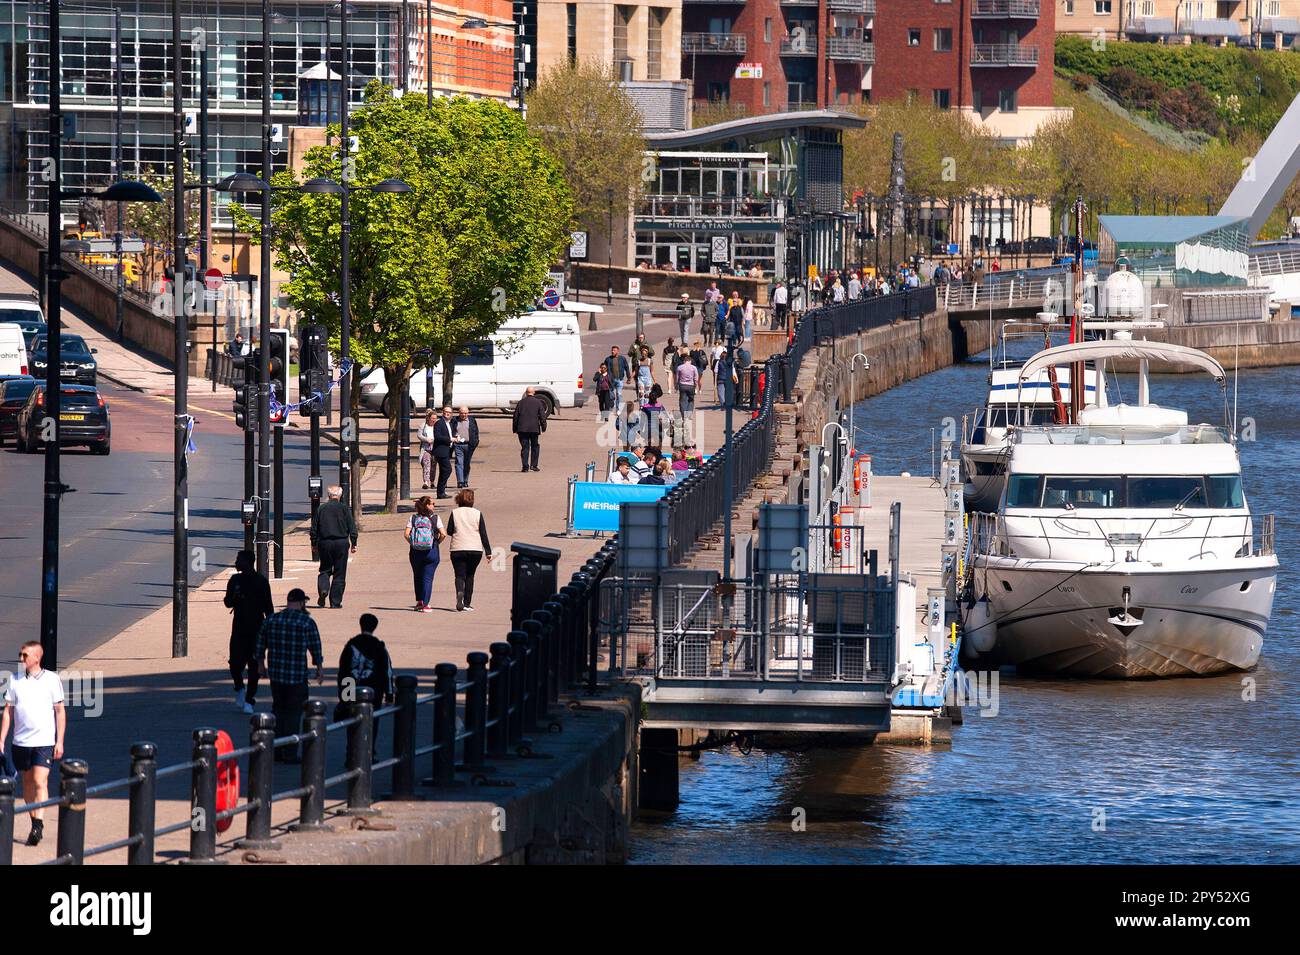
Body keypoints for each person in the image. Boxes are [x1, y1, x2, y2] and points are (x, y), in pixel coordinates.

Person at [0, 641, 66, 846]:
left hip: (44, 741)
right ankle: (34, 820)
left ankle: (38, 824)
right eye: (20, 654)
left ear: (37, 657)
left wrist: (59, 741)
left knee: (40, 781)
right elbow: (8, 712)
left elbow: (60, 711)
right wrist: (2, 738)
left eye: (25, 655)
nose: (21, 659)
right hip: (21, 742)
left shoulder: (52, 680)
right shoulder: (14, 679)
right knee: (27, 785)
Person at [256, 588, 323, 763]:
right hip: (297, 677)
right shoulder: (306, 622)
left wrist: (261, 665)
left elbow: (260, 644)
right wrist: (319, 669)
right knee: (293, 714)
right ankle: (290, 752)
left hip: (277, 675)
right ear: (302, 603)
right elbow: (315, 647)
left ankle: (276, 749)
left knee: (278, 710)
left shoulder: (272, 620)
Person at [223, 549, 273, 713]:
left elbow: (269, 608)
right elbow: (228, 603)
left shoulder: (261, 581)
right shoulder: (234, 580)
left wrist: (270, 630)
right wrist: (234, 598)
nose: (237, 563)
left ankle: (250, 700)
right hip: (238, 628)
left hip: (257, 629)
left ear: (248, 562)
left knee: (254, 666)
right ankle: (239, 687)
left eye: (239, 560)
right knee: (234, 663)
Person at [311, 485, 357, 609]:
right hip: (341, 543)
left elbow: (314, 528)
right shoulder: (344, 508)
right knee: (339, 572)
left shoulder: (321, 509)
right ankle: (335, 602)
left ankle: (324, 588)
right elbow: (352, 526)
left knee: (325, 569)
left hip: (325, 543)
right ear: (340, 495)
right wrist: (354, 542)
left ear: (329, 495)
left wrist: (314, 543)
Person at [337, 614, 394, 712]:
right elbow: (387, 672)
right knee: (372, 722)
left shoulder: (351, 645)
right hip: (373, 693)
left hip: (352, 691)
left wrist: (344, 696)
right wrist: (389, 695)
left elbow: (343, 670)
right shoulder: (379, 647)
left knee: (352, 723)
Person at [447, 489, 492, 612]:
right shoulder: (478, 513)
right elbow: (483, 533)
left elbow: (449, 531)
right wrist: (488, 552)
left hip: (458, 548)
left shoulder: (454, 513)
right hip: (475, 549)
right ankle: (467, 603)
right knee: (470, 575)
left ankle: (459, 593)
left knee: (459, 575)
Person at [405, 495, 445, 612]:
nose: (434, 505)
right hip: (431, 551)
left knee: (417, 576)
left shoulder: (413, 518)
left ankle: (419, 602)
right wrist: (436, 543)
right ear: (427, 505)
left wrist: (413, 543)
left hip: (415, 552)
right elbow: (443, 534)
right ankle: (426, 604)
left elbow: (406, 534)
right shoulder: (435, 518)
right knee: (428, 578)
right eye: (432, 503)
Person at [512, 386, 548, 472]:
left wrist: (514, 428)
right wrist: (544, 427)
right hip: (534, 429)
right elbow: (542, 416)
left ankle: (525, 466)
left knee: (525, 447)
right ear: (534, 393)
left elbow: (515, 416)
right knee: (535, 446)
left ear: (526, 392)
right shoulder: (538, 402)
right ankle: (534, 465)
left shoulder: (521, 403)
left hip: (522, 429)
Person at [427, 405, 455, 498]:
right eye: (445, 412)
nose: (447, 413)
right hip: (440, 451)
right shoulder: (439, 423)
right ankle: (440, 491)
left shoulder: (450, 423)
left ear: (451, 414)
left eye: (449, 412)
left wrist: (455, 438)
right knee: (447, 470)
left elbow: (451, 433)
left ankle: (441, 492)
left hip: (447, 450)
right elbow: (438, 436)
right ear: (443, 413)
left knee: (444, 471)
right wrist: (450, 439)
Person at [452, 406, 479, 489]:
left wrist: (475, 442)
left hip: (469, 445)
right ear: (459, 413)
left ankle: (465, 480)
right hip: (458, 445)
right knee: (459, 463)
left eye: (465, 413)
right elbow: (452, 430)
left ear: (468, 413)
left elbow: (476, 432)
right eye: (462, 413)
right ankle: (460, 481)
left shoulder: (472, 420)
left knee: (466, 464)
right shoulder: (454, 420)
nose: (463, 415)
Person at [674, 349, 699, 419]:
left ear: (684, 361)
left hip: (682, 385)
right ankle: (689, 413)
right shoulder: (694, 368)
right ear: (690, 361)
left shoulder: (680, 367)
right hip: (691, 385)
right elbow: (696, 378)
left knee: (682, 400)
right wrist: (696, 386)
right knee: (691, 400)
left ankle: (683, 414)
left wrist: (676, 386)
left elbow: (677, 378)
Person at [417, 410, 437, 490]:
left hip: (435, 449)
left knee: (433, 466)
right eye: (432, 418)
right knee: (426, 465)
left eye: (435, 418)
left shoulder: (437, 425)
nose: (434, 420)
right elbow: (419, 435)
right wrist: (426, 439)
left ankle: (432, 481)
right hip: (426, 449)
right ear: (429, 418)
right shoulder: (423, 425)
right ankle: (426, 482)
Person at [605, 345, 629, 410]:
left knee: (619, 394)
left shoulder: (622, 359)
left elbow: (626, 367)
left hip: (620, 379)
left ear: (618, 351)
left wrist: (628, 377)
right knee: (611, 395)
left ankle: (618, 409)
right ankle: (612, 402)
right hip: (611, 380)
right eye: (612, 350)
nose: (612, 351)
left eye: (614, 350)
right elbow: (604, 369)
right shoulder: (608, 359)